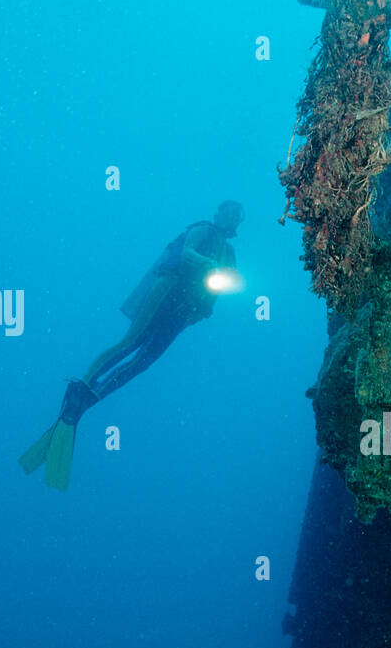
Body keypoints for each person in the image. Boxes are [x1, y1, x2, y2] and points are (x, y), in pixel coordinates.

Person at [19, 200, 244, 491]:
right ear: (219, 214)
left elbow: (230, 283)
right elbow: (187, 252)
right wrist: (209, 265)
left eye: (238, 217)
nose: (232, 220)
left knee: (145, 361)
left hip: (187, 307)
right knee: (131, 343)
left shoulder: (229, 252)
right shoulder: (203, 230)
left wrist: (208, 303)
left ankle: (93, 397)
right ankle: (83, 384)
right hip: (169, 290)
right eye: (229, 214)